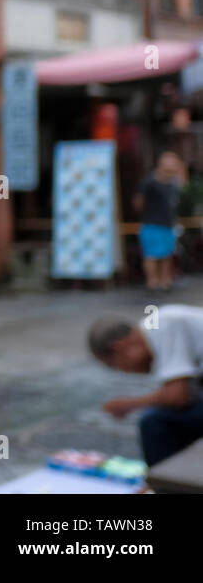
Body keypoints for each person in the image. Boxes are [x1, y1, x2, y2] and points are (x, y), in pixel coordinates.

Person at [89, 306, 203, 466]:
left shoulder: (166, 325)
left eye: (114, 365)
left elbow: (178, 396)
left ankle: (166, 483)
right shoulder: (159, 326)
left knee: (154, 421)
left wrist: (128, 405)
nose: (123, 370)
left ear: (119, 348)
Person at [135, 152, 185, 292]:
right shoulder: (149, 181)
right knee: (151, 255)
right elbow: (139, 202)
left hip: (168, 224)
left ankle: (164, 280)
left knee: (166, 254)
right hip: (151, 223)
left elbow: (182, 183)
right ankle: (152, 281)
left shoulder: (173, 183)